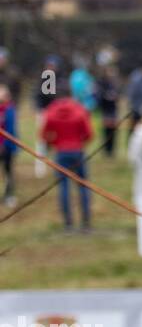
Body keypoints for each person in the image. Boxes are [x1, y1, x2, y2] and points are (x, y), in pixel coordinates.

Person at [40, 86, 94, 231]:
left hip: (61, 152)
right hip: (77, 151)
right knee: (83, 186)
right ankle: (86, 223)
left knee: (63, 187)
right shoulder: (79, 110)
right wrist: (81, 143)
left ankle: (68, 224)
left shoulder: (51, 111)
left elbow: (43, 134)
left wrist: (54, 143)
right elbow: (89, 133)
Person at [0, 84, 17, 207]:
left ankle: (9, 195)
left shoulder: (9, 110)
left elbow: (10, 130)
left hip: (7, 147)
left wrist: (4, 145)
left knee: (8, 171)